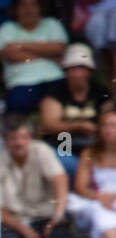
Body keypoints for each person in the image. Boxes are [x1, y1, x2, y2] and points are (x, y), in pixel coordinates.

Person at [0, 114, 72, 238]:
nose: (19, 143)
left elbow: (60, 179)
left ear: (30, 138)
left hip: (47, 217)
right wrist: (23, 229)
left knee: (59, 233)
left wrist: (57, 216)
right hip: (14, 223)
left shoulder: (42, 151)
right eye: (13, 138)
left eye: (23, 137)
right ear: (5, 141)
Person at [40, 43, 111, 180]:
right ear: (66, 70)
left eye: (81, 68)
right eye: (73, 68)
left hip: (93, 141)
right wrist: (78, 126)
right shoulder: (55, 91)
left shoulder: (101, 92)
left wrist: (97, 128)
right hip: (63, 140)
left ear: (89, 70)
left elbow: (109, 117)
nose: (77, 73)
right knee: (68, 163)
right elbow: (48, 124)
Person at [0, 0, 67, 113]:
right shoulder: (5, 29)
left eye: (33, 5)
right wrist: (47, 54)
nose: (29, 9)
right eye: (24, 5)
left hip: (55, 78)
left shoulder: (52, 24)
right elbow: (10, 55)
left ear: (40, 8)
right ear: (16, 9)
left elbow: (60, 48)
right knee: (17, 104)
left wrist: (20, 45)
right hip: (21, 82)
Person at [75, 108, 116, 238]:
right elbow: (80, 187)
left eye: (113, 125)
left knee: (107, 230)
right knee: (104, 221)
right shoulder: (89, 153)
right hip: (96, 203)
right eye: (105, 125)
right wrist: (100, 197)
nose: (109, 130)